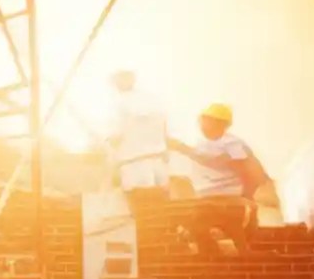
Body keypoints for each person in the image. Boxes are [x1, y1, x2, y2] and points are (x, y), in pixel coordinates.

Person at [169, 103, 273, 252]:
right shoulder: (201, 144)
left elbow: (223, 162)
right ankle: (213, 255)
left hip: (230, 200)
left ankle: (239, 257)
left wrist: (184, 149)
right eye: (202, 120)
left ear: (222, 124)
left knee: (237, 236)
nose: (202, 124)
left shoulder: (232, 143)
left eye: (207, 120)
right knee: (199, 230)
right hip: (207, 199)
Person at [103, 69, 170, 220]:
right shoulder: (153, 101)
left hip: (134, 164)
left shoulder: (118, 103)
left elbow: (115, 136)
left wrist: (109, 157)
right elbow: (165, 130)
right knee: (161, 213)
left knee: (141, 214)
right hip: (158, 162)